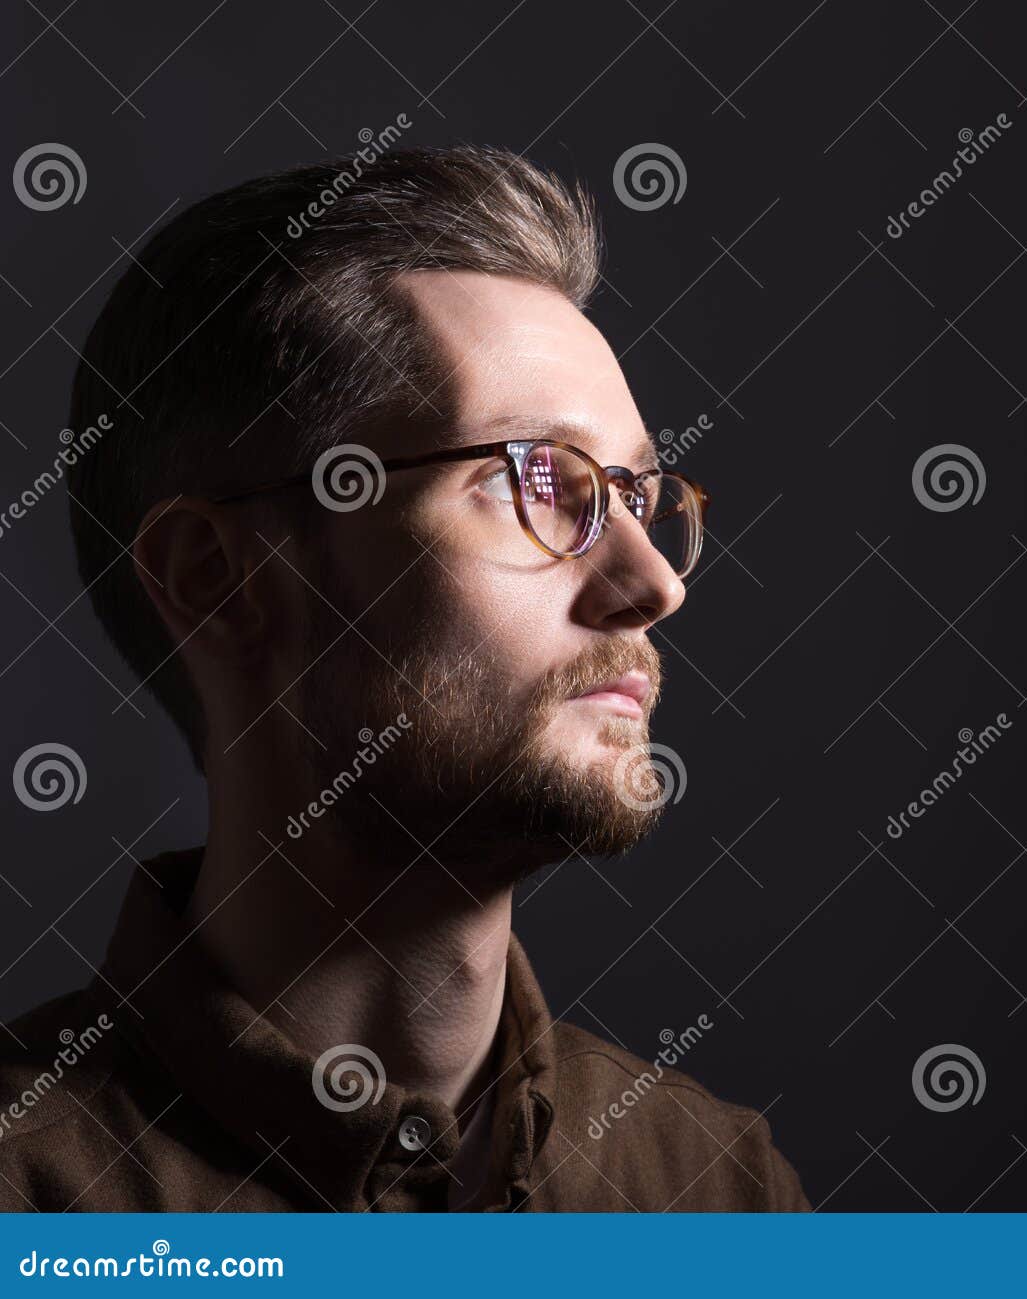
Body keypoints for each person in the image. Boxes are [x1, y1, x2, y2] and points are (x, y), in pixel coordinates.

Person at [0, 145, 806, 1213]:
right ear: (219, 580)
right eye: (536, 480)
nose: (653, 582)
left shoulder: (712, 1188)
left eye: (638, 497)